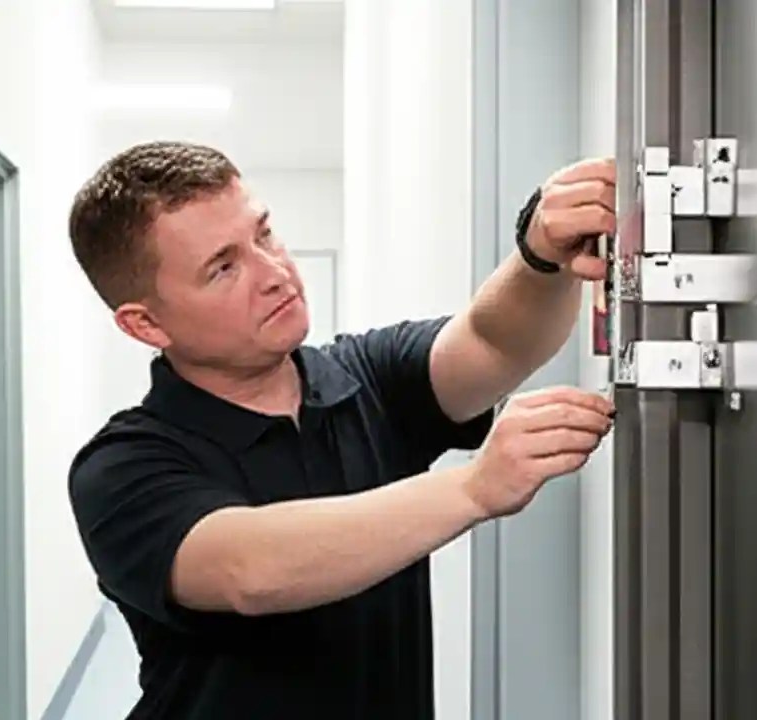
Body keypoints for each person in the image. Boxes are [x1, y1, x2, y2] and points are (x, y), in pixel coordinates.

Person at [66, 140, 617, 719]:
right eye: (224, 267)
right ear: (145, 323)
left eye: (265, 234)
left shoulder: (365, 378)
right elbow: (249, 571)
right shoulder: (122, 466)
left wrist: (539, 256)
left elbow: (490, 341)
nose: (274, 273)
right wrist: (474, 488)